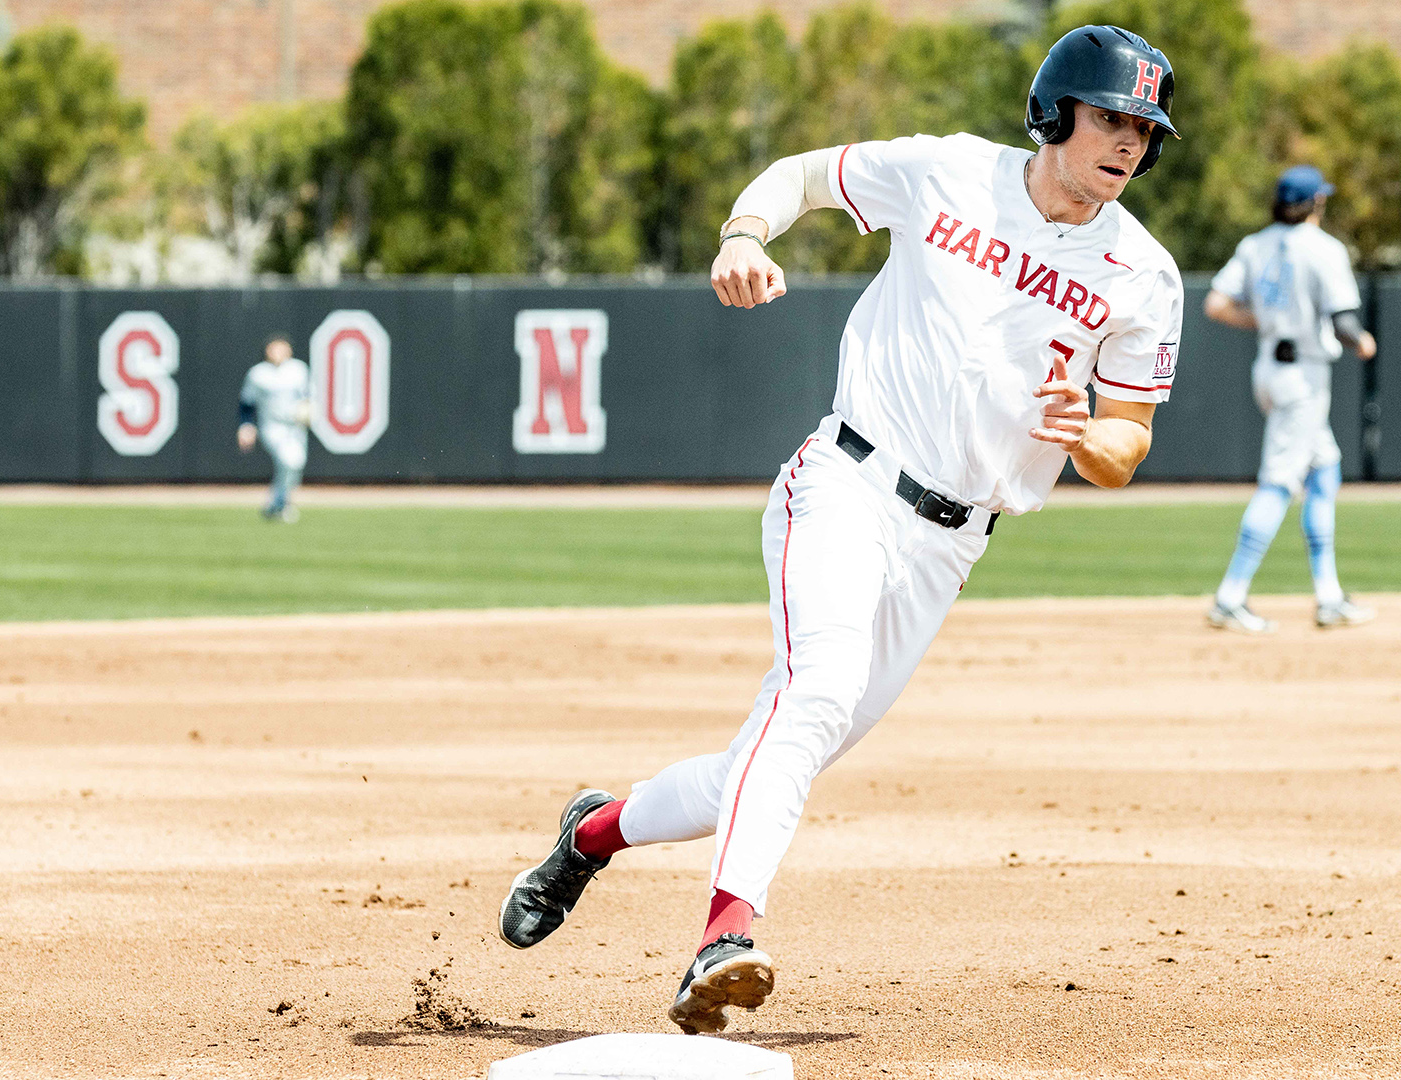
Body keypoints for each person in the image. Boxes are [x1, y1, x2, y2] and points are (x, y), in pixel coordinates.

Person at [498, 25, 1188, 1035]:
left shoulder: (1143, 273)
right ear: (1056, 112)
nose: (1127, 143)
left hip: (951, 545)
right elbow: (805, 175)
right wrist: (745, 233)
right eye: (1110, 117)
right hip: (847, 482)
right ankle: (723, 934)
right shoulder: (950, 172)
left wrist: (1089, 438)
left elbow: (1127, 441)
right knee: (814, 694)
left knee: (771, 758)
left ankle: (592, 832)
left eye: (1144, 128)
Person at [1203, 166, 1378, 633]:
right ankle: (1229, 597)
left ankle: (1329, 596)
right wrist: (1361, 341)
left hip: (1268, 367)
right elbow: (1342, 320)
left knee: (1324, 471)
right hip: (1303, 377)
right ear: (1316, 204)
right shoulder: (1325, 249)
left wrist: (1267, 320)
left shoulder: (1254, 245)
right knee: (1279, 483)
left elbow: (1216, 304)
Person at [236, 334, 312, 523]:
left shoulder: (298, 369)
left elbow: (309, 396)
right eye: (274, 348)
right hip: (272, 426)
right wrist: (246, 425)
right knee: (289, 461)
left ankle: (277, 504)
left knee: (295, 465)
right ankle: (280, 503)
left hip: (295, 427)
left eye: (282, 348)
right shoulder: (258, 374)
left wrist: (308, 411)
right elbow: (246, 403)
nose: (278, 353)